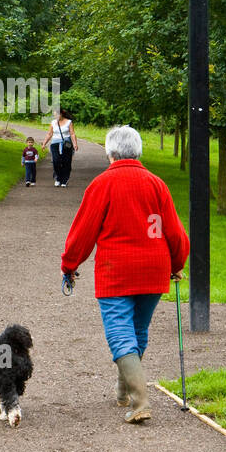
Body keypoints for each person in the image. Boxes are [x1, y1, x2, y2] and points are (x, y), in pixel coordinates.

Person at [60, 124, 189, 423]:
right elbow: (174, 232)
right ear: (138, 150)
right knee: (138, 332)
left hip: (115, 270)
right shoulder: (157, 184)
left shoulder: (103, 184)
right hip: (153, 270)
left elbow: (83, 232)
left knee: (120, 332)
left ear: (109, 153)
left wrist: (70, 265)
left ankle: (141, 401)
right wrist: (176, 264)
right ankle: (124, 391)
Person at [41, 109, 78, 187]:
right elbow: (49, 134)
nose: (55, 116)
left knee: (66, 162)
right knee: (56, 161)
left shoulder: (69, 122)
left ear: (61, 114)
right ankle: (58, 178)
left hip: (66, 144)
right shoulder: (53, 122)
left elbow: (72, 134)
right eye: (54, 115)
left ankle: (65, 180)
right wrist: (44, 143)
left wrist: (75, 144)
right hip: (55, 144)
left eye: (57, 115)